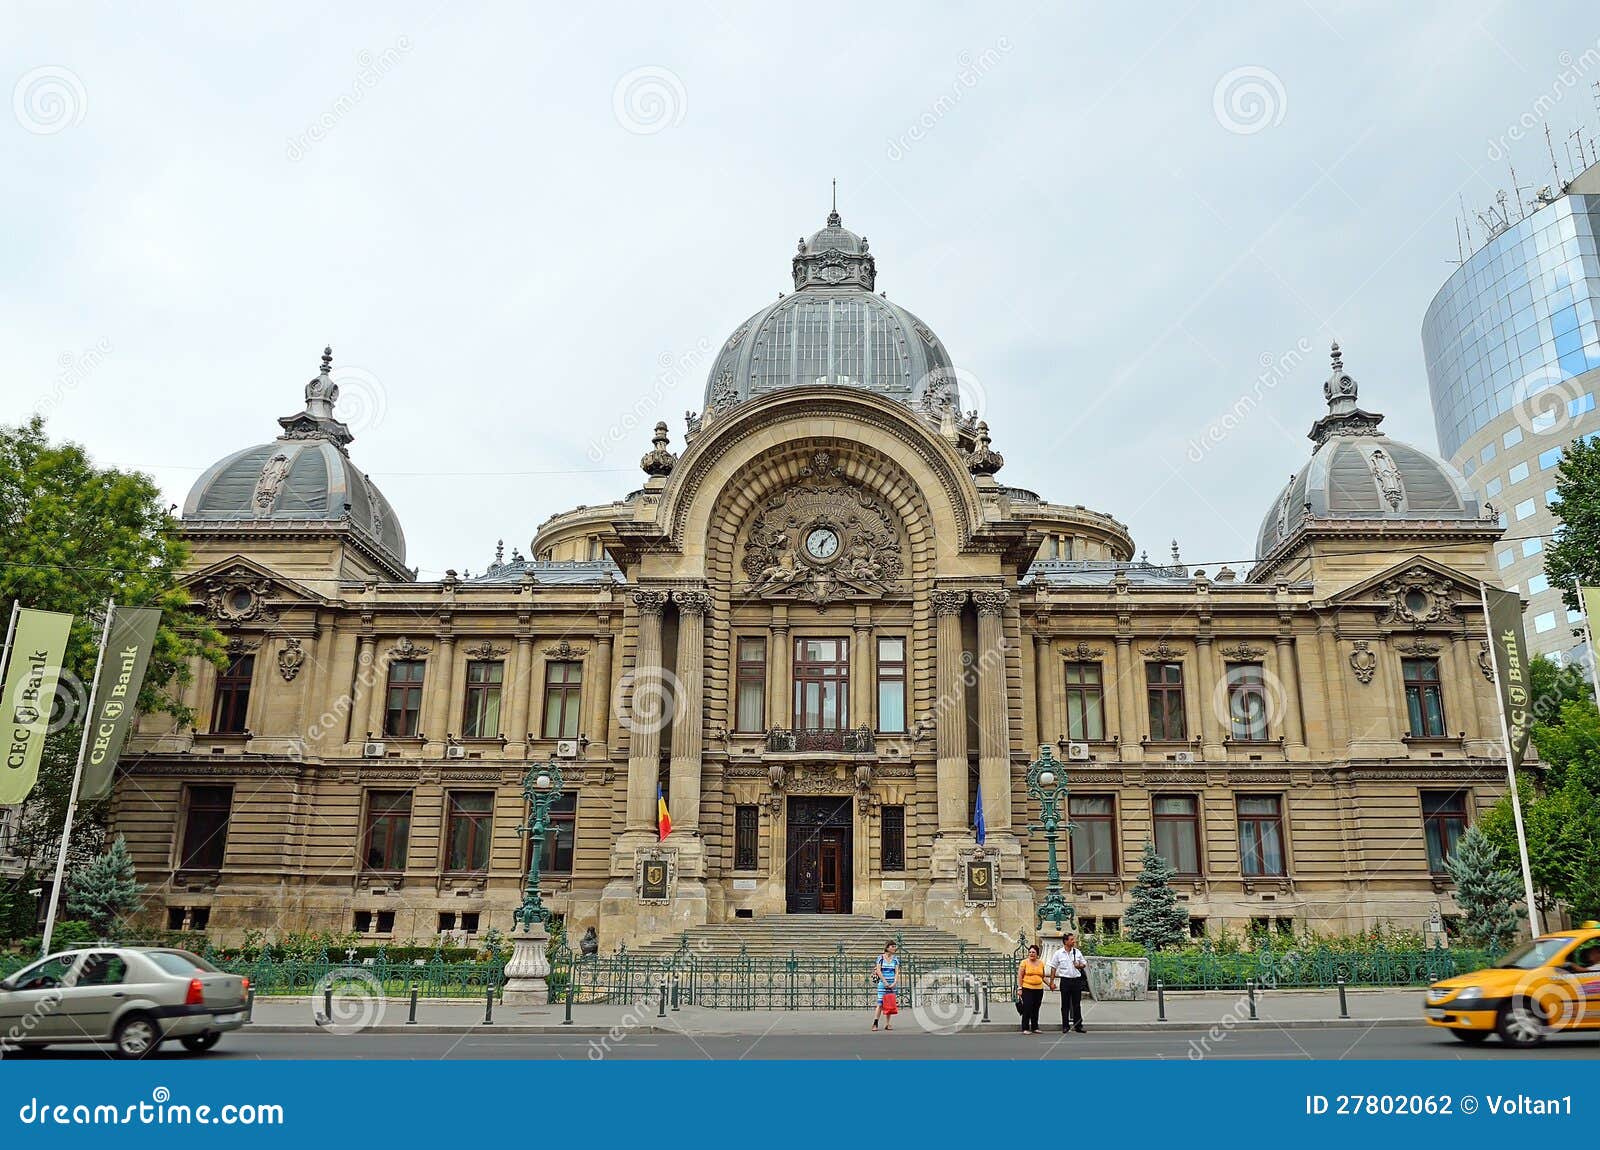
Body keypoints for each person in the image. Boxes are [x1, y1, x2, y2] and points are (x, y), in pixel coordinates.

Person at [1046, 932, 1088, 1033]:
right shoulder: (1058, 953)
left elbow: (1084, 964)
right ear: (1066, 941)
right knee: (1065, 1004)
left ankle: (1078, 1025)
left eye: (1073, 939)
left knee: (1076, 1004)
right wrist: (1051, 982)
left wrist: (1079, 966)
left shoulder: (1077, 952)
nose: (1074, 941)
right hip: (1065, 980)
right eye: (1071, 939)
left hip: (1076, 980)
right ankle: (1065, 1025)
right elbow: (1053, 968)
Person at [1017, 944, 1046, 1034]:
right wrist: (1020, 988)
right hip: (1027, 988)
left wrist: (1051, 984)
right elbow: (1020, 976)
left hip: (1039, 989)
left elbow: (1043, 976)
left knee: (1036, 1008)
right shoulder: (1024, 962)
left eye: (1033, 952)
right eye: (1030, 952)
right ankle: (1025, 1028)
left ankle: (1035, 1027)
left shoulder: (1041, 963)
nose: (1031, 954)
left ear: (1037, 953)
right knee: (1027, 1007)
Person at [872, 940, 899, 1031]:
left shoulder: (895, 959)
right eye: (892, 946)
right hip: (883, 983)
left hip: (892, 983)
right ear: (887, 947)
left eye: (895, 946)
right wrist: (884, 982)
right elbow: (878, 970)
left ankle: (887, 1024)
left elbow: (896, 972)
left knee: (889, 1003)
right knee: (880, 1003)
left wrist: (895, 982)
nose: (894, 948)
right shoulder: (880, 958)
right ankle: (875, 1023)